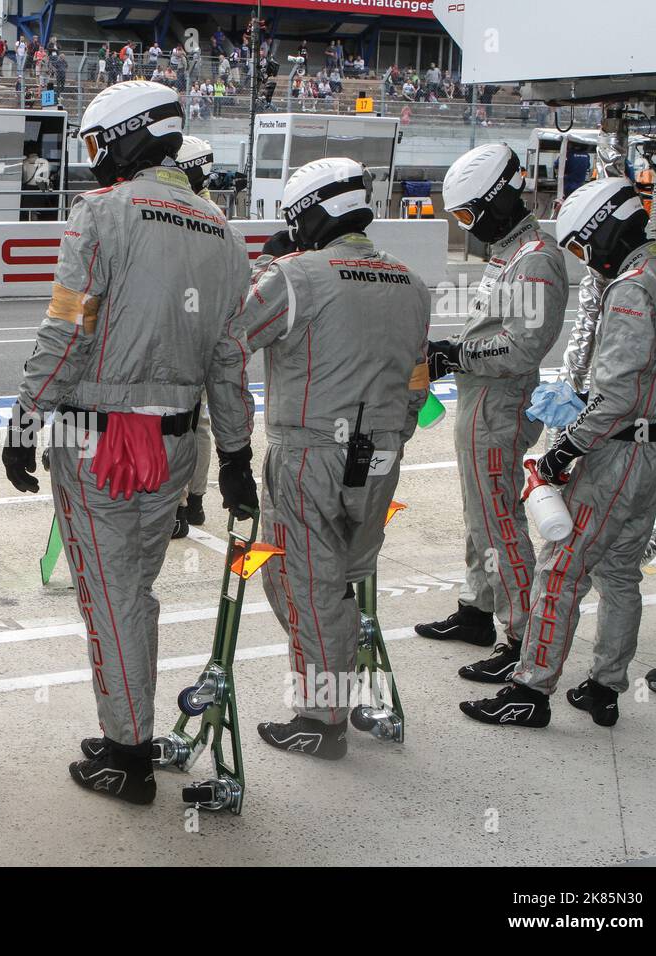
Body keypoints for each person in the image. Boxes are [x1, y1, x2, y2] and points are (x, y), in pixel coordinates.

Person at [1, 81, 256, 805]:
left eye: (95, 143)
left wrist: (25, 421)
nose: (93, 160)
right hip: (175, 445)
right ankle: (129, 723)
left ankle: (127, 755)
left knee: (110, 600)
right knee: (133, 593)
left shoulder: (102, 215)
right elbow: (230, 362)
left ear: (124, 136)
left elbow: (65, 330)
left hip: (98, 441)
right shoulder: (223, 231)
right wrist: (235, 458)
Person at [461, 178, 656, 729]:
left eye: (586, 248)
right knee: (619, 571)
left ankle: (531, 689)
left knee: (560, 569)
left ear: (608, 227)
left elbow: (615, 396)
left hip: (619, 456)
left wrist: (562, 452)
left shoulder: (634, 289)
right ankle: (605, 685)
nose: (589, 262)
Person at [242, 158, 431, 760]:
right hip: (380, 456)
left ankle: (322, 719)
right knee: (338, 582)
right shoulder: (411, 282)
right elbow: (419, 382)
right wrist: (390, 437)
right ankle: (331, 690)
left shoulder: (296, 275)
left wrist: (267, 266)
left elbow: (233, 330)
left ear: (311, 214)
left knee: (304, 583)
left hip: (311, 455)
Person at [416, 145, 569, 683]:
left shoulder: (534, 260)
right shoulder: (507, 254)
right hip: (479, 399)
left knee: (499, 523)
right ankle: (478, 608)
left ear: (499, 200)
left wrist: (454, 355)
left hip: (500, 405)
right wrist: (451, 348)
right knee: (478, 513)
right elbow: (490, 332)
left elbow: (521, 348)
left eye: (467, 215)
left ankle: (522, 635)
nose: (466, 227)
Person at [169, 134, 218, 540]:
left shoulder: (186, 210)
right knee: (198, 422)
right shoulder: (214, 212)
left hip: (181, 329)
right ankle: (195, 501)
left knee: (179, 422)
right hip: (207, 329)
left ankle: (180, 506)